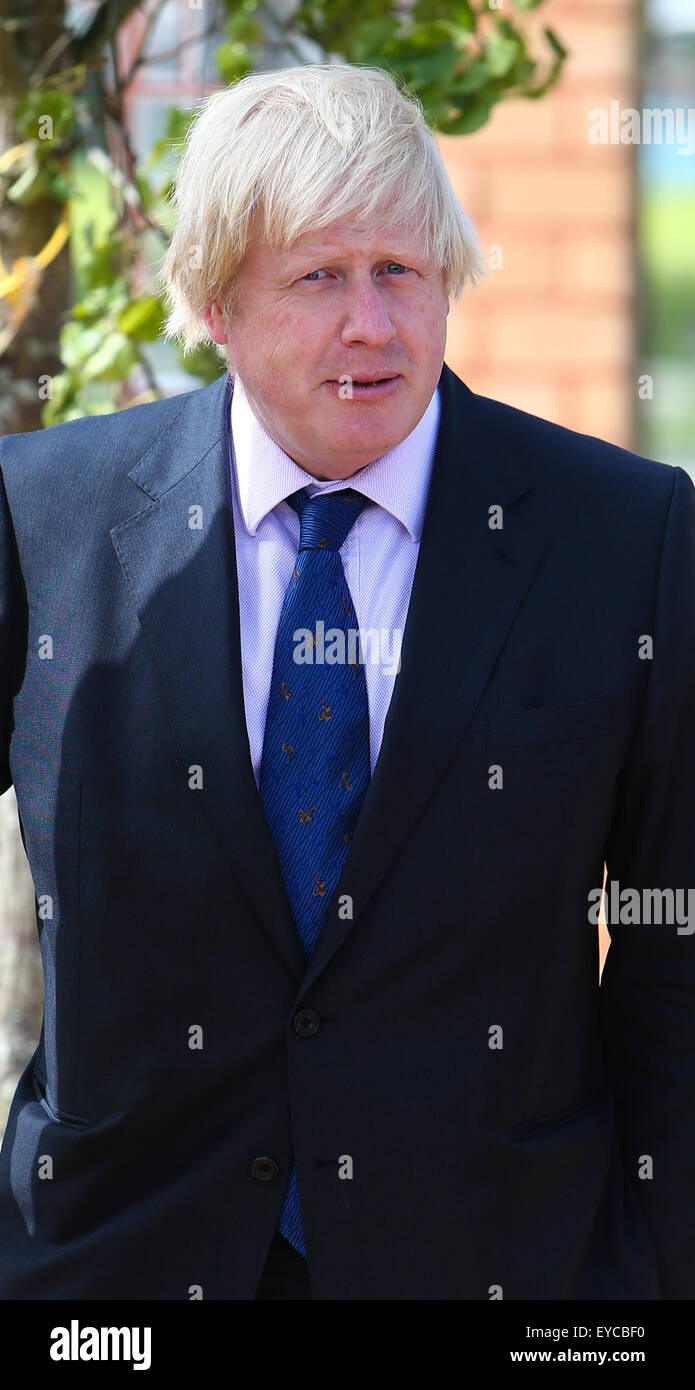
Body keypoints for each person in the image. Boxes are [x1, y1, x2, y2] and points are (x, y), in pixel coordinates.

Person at [0, 61, 693, 1301]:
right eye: (319, 277)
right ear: (215, 298)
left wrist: (646, 1283)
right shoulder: (42, 515)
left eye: (401, 273)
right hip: (117, 1275)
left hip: (505, 1266)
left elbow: (673, 948)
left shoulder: (624, 536)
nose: (371, 325)